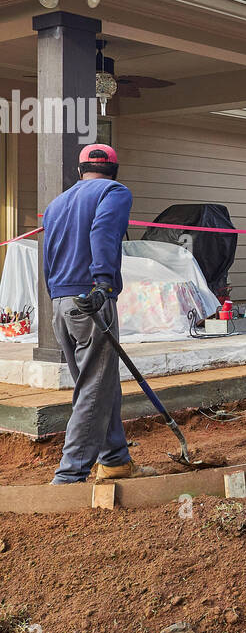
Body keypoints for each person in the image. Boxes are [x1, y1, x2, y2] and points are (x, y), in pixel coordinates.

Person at [42, 143, 150, 484]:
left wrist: (58, 297)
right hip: (91, 300)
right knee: (94, 390)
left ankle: (115, 459)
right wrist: (102, 282)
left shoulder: (56, 203)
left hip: (61, 302)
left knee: (98, 385)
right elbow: (103, 231)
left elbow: (48, 252)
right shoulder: (114, 192)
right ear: (114, 171)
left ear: (79, 171)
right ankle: (68, 477)